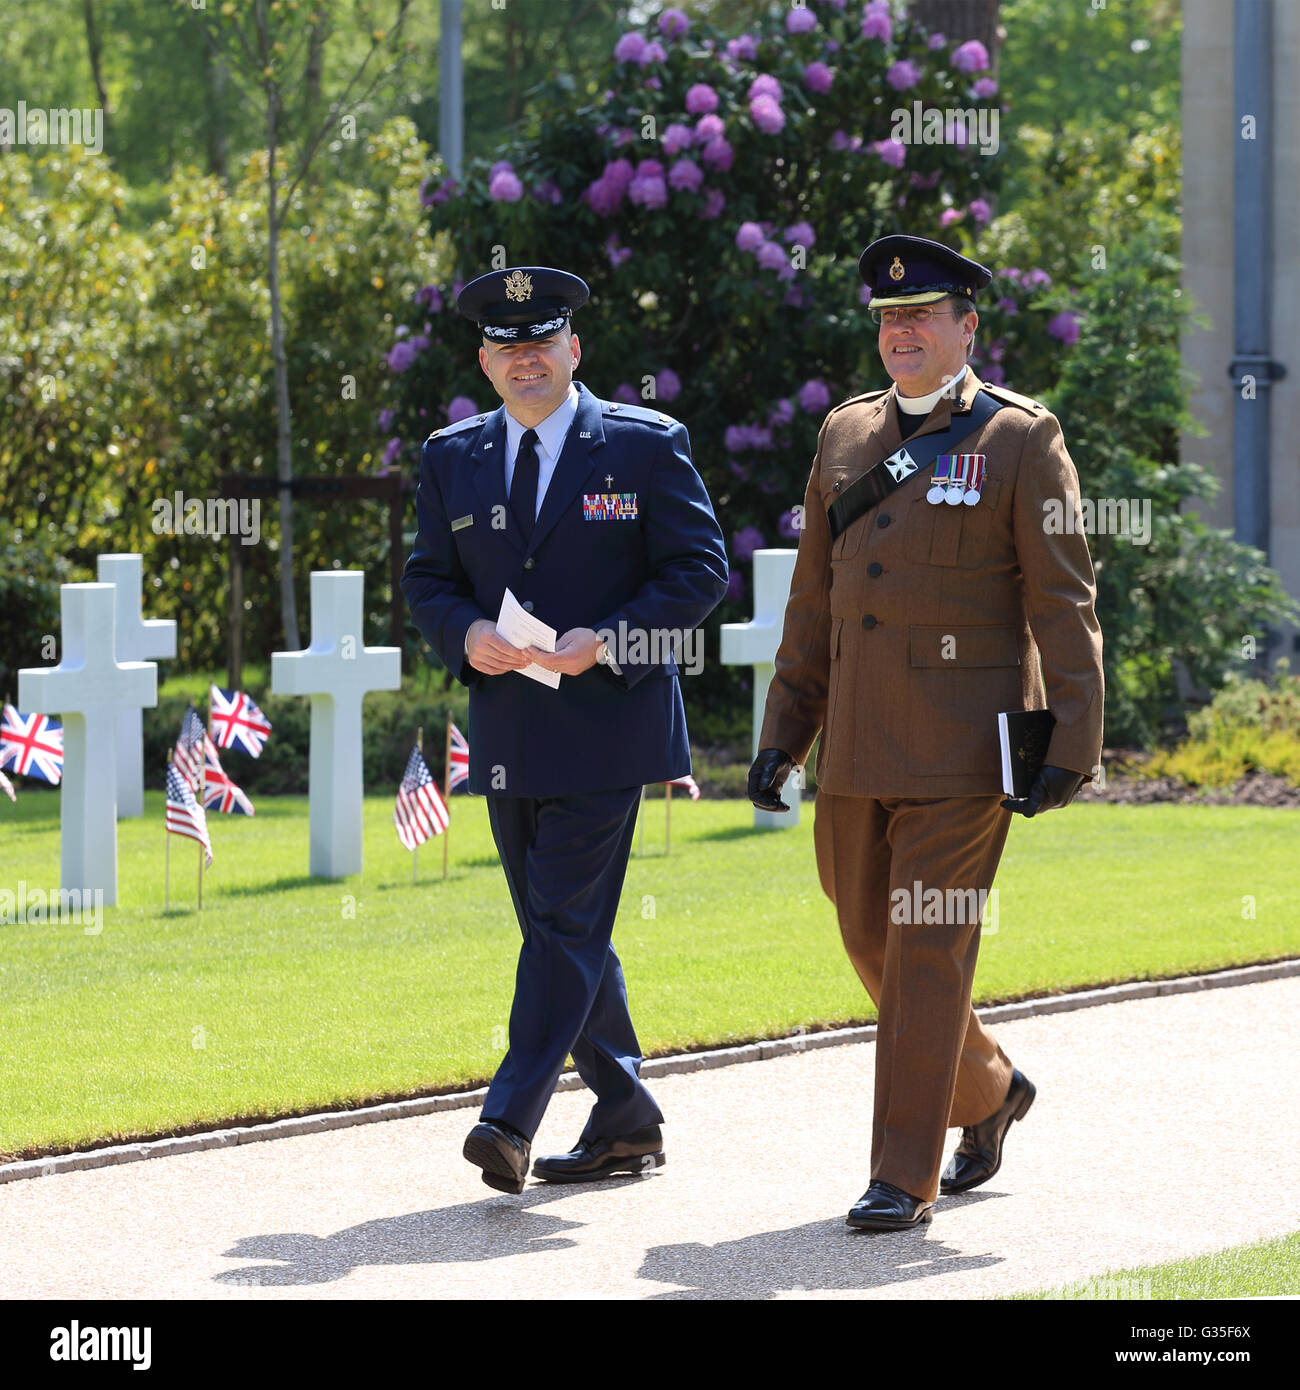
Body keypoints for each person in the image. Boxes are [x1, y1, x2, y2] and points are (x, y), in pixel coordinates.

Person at [747, 234, 1104, 1232]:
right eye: (888, 319)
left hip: (963, 753)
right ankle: (987, 1087)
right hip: (856, 747)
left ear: (965, 327)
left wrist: (1070, 738)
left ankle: (903, 1174)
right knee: (867, 934)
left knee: (926, 954)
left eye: (921, 316)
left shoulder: (1020, 439)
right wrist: (785, 734)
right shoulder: (844, 436)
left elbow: (1063, 599)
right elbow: (813, 600)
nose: (901, 332)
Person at [402, 265, 728, 1195]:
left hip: (610, 725)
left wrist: (611, 641)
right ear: (484, 361)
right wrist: (464, 633)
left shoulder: (644, 446)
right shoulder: (452, 456)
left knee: (561, 923)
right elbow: (429, 580)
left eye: (542, 343)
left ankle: (509, 1115)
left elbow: (700, 573)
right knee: (564, 930)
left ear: (574, 351)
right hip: (509, 732)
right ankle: (626, 1117)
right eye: (507, 347)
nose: (525, 360)